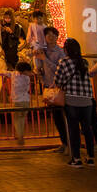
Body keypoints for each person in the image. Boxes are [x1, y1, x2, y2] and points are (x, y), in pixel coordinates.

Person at [54, 38, 96, 167]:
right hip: (87, 99)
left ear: (66, 49)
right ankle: (90, 157)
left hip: (72, 98)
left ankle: (76, 158)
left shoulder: (64, 62)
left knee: (73, 129)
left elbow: (58, 80)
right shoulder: (84, 62)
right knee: (87, 128)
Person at [35, 25, 70, 155]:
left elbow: (59, 69)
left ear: (57, 36)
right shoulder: (42, 51)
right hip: (48, 86)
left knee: (63, 116)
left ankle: (68, 143)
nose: (50, 37)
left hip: (58, 87)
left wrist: (45, 60)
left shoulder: (60, 52)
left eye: (53, 35)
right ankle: (63, 143)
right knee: (56, 117)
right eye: (48, 35)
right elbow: (40, 67)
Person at [10, 60, 33, 144]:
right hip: (26, 100)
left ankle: (20, 137)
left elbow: (5, 72)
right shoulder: (27, 77)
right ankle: (21, 135)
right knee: (22, 119)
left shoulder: (14, 75)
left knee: (16, 119)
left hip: (17, 100)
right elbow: (27, 89)